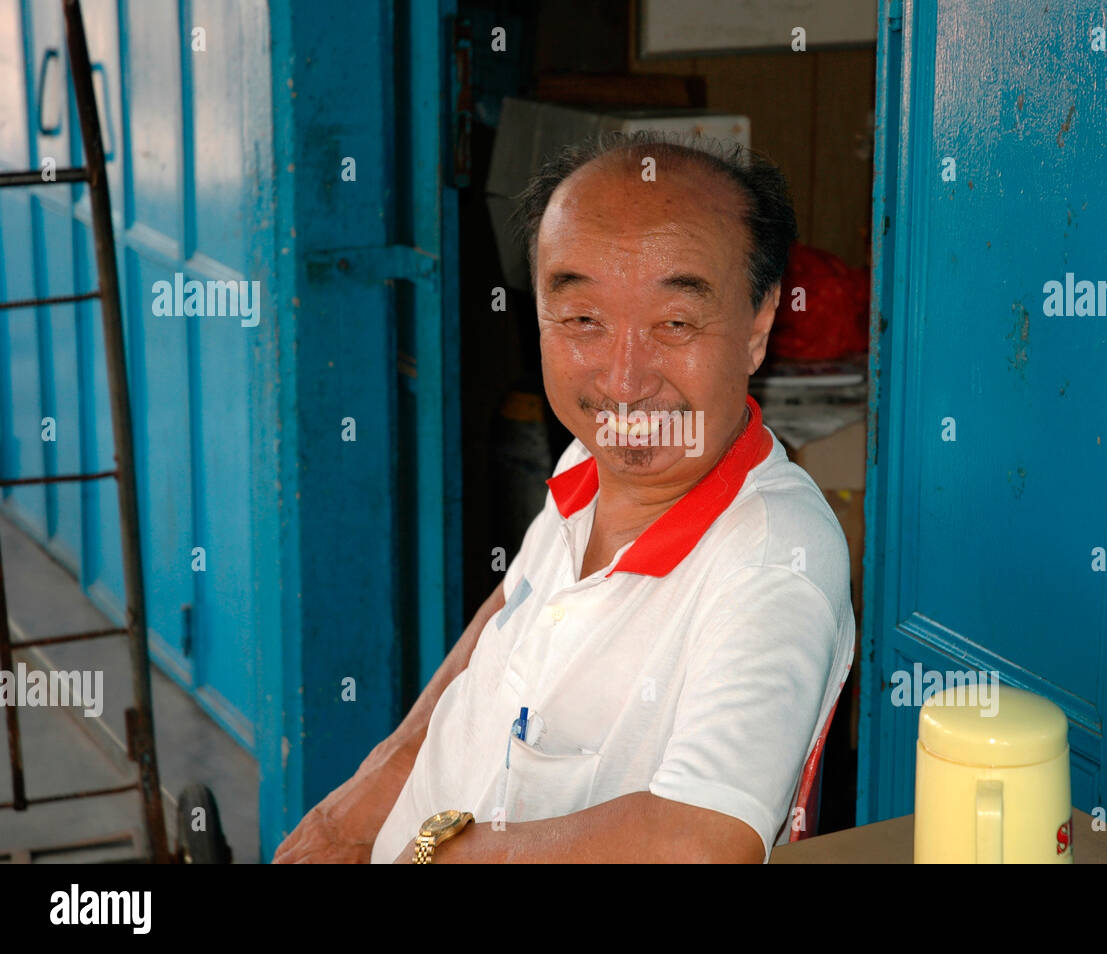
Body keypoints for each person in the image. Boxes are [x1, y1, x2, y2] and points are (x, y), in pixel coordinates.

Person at [273, 130, 855, 864]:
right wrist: (367, 797)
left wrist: (432, 853)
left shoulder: (773, 558)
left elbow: (698, 844)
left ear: (758, 325)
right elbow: (506, 618)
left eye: (675, 323)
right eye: (583, 320)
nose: (623, 380)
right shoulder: (590, 462)